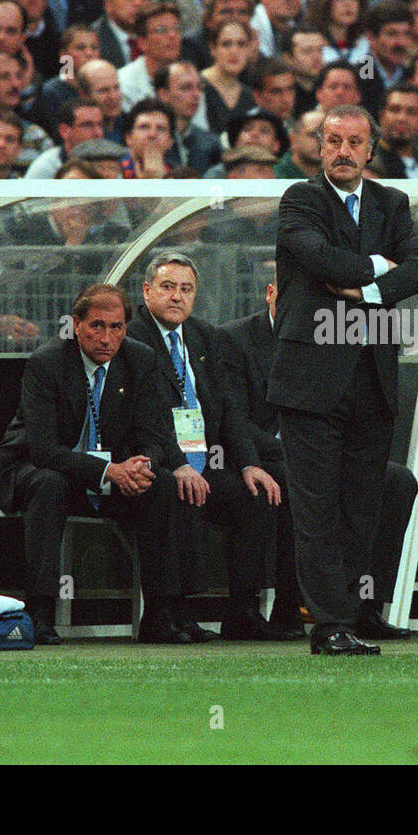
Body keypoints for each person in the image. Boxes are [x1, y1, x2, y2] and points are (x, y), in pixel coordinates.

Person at [269, 103, 418, 655]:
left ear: (370, 150)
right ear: (319, 146)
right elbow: (320, 259)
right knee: (316, 509)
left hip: (372, 379)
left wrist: (368, 288)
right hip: (312, 380)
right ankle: (328, 624)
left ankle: (358, 609)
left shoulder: (394, 202)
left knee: (363, 504)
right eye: (332, 140)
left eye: (353, 142)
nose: (341, 150)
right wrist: (380, 267)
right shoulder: (300, 200)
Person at [0, 283, 188, 645]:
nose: (107, 337)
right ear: (77, 325)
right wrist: (109, 471)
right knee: (50, 483)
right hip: (39, 470)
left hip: (109, 478)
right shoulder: (48, 362)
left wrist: (141, 465)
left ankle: (159, 614)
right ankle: (40, 613)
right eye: (97, 326)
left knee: (162, 483)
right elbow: (43, 449)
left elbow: (155, 433)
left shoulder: (140, 359)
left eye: (116, 327)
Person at [124, 252, 294, 641]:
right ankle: (165, 614)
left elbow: (230, 409)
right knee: (175, 489)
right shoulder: (132, 338)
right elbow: (145, 416)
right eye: (168, 287)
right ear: (148, 290)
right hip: (158, 459)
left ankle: (243, 611)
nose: (177, 297)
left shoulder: (205, 336)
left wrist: (250, 463)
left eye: (186, 289)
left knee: (256, 493)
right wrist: (178, 462)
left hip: (207, 457)